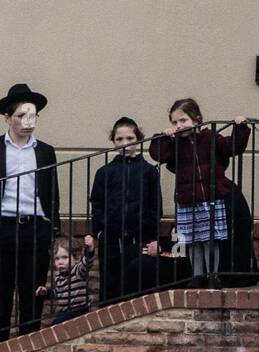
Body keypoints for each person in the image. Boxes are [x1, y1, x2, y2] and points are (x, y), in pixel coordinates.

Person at [0, 83, 60, 343]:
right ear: (8, 118)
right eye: (21, 115)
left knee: (33, 297)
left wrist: (52, 229)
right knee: (1, 297)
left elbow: (52, 193)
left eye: (32, 116)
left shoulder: (45, 151)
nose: (27, 122)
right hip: (1, 228)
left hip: (35, 229)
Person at [149, 99, 250, 287]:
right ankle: (197, 275)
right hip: (188, 199)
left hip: (211, 198)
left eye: (183, 120)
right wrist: (163, 137)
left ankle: (213, 275)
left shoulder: (210, 136)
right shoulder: (175, 143)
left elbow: (232, 147)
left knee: (211, 240)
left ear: (197, 120)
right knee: (194, 241)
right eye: (174, 122)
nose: (178, 125)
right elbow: (159, 155)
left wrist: (240, 127)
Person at [90, 117, 163, 303]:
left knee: (136, 283)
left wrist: (153, 237)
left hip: (139, 237)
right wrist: (98, 231)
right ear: (113, 142)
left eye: (130, 138)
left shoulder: (148, 171)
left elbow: (156, 205)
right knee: (110, 286)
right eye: (120, 139)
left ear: (138, 139)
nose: (125, 143)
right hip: (111, 239)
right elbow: (97, 203)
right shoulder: (105, 172)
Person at [36, 236, 95, 325]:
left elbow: (87, 262)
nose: (60, 262)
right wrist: (46, 292)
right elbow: (58, 293)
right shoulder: (58, 277)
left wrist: (90, 249)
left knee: (56, 323)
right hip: (65, 312)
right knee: (56, 322)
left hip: (79, 310)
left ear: (76, 258)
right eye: (57, 258)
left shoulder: (77, 271)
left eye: (64, 257)